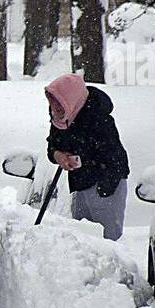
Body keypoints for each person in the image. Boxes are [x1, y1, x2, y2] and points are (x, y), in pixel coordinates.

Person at [44, 73, 130, 241]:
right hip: (80, 183)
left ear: (71, 98)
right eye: (52, 102)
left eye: (59, 102)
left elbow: (114, 158)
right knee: (82, 239)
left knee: (106, 242)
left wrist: (104, 191)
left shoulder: (98, 119)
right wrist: (58, 155)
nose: (55, 107)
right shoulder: (61, 119)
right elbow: (52, 145)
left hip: (106, 184)